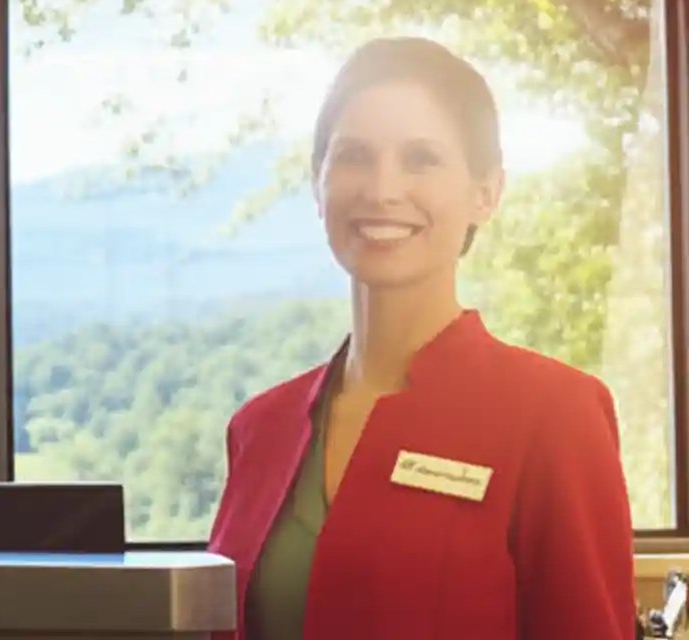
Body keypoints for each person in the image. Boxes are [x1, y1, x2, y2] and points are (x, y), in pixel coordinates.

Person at [206, 37, 634, 640]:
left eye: (421, 159)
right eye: (354, 156)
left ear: (486, 193)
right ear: (317, 183)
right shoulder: (259, 429)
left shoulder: (554, 415)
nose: (382, 189)